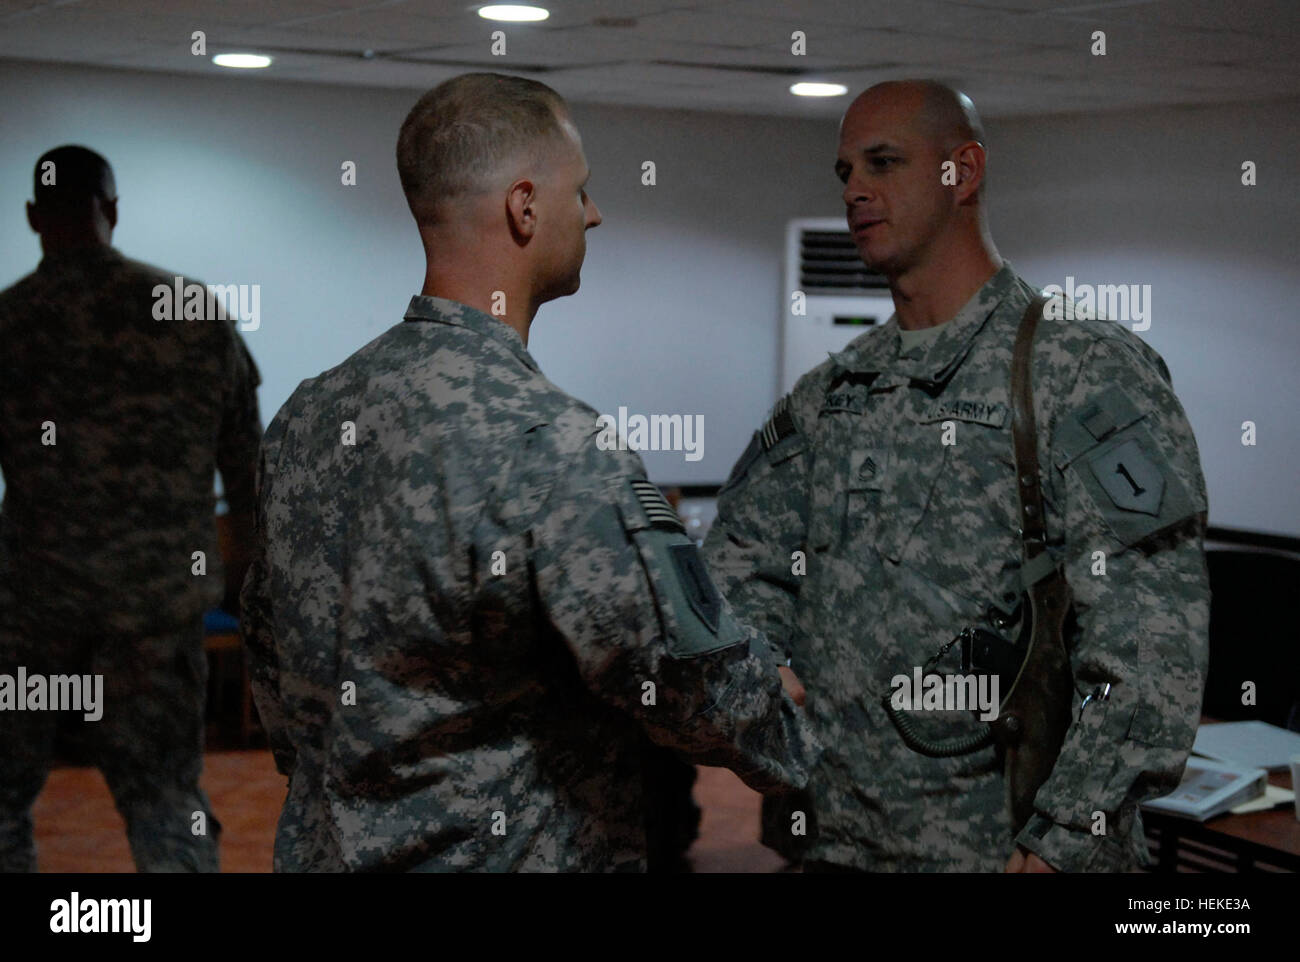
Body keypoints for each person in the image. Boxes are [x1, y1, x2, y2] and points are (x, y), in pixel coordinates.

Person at [239, 73, 817, 872]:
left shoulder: (305, 416)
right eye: (580, 191)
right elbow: (689, 685)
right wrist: (802, 727)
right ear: (524, 207)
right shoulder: (551, 440)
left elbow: (272, 667)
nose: (595, 213)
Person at [704, 80, 1210, 873]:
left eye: (884, 163)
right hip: (835, 845)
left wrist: (1067, 841)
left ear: (962, 173)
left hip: (1003, 853)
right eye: (845, 172)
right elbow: (741, 570)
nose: (856, 191)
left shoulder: (1081, 370)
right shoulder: (835, 393)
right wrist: (763, 672)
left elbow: (1151, 641)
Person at [0, 145, 262, 871]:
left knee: (3, 802)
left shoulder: (9, 324)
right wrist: (244, 582)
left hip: (32, 610)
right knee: (164, 800)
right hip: (156, 608)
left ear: (32, 217)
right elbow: (246, 471)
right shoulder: (191, 315)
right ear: (112, 210)